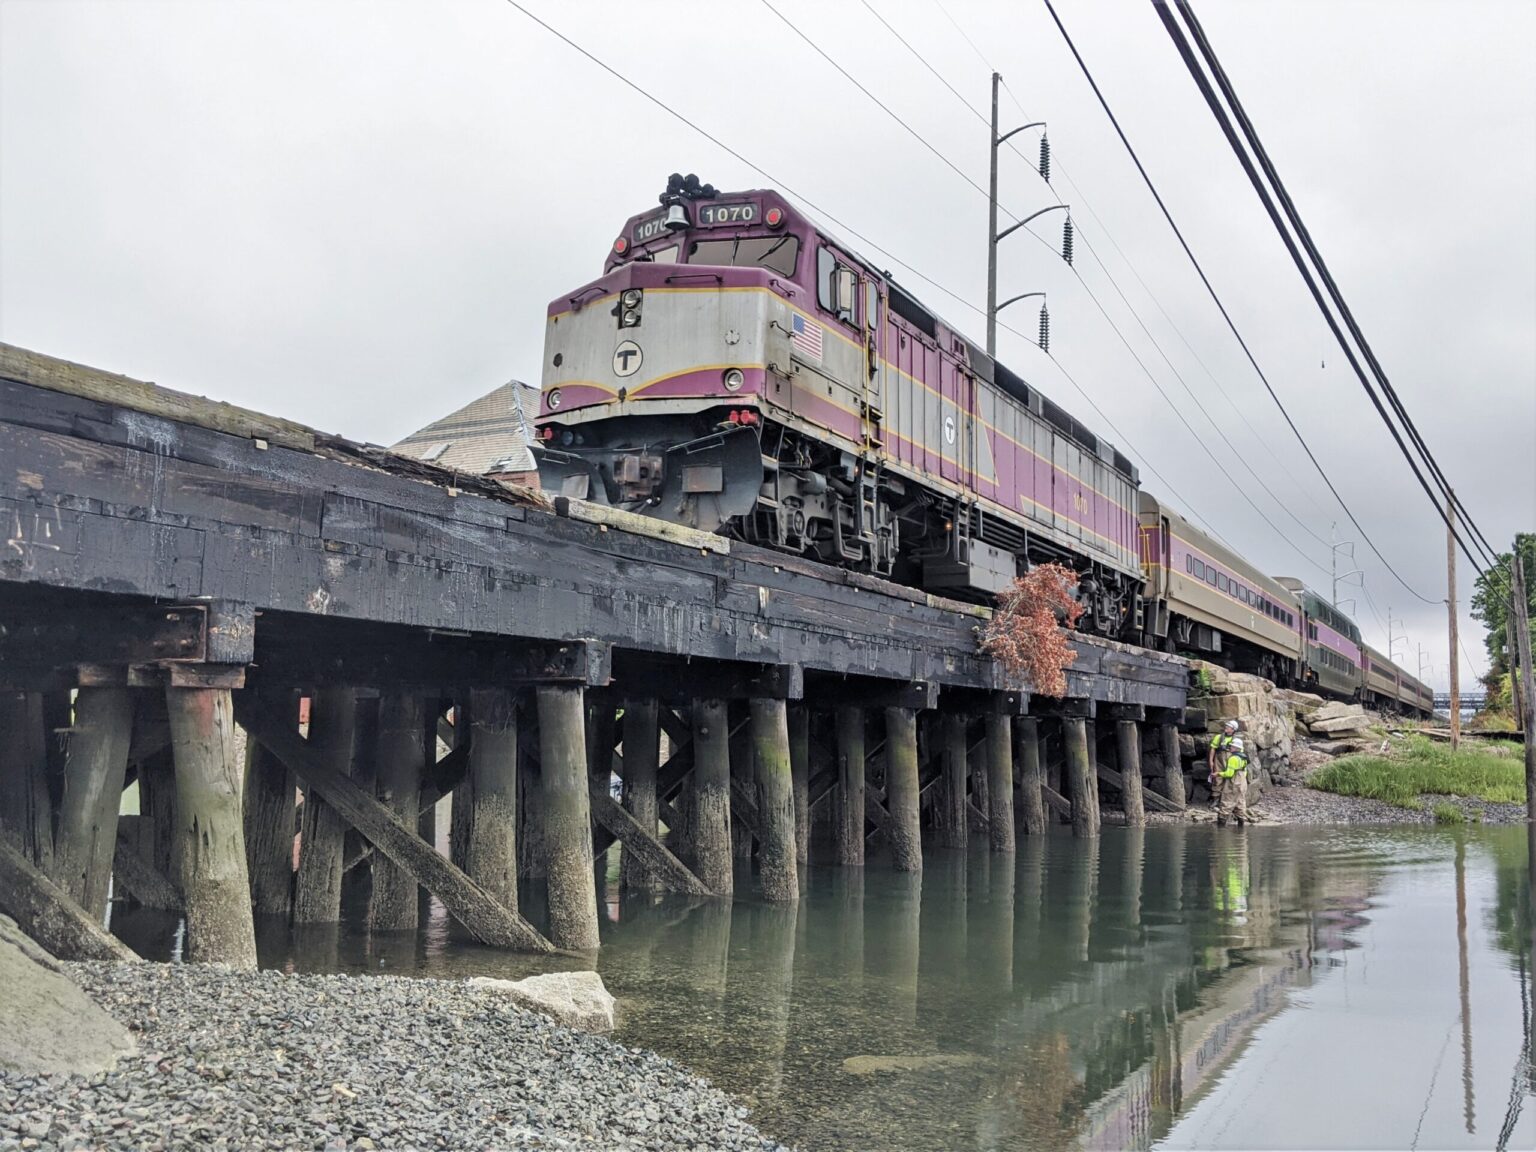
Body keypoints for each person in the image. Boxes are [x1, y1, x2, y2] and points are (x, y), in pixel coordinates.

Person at [1207, 719, 1251, 827]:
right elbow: (1244, 771)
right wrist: (1211, 761)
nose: (1230, 746)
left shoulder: (1233, 758)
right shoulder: (1243, 757)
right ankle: (1241, 824)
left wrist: (1218, 774)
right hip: (1241, 780)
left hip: (1234, 778)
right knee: (1240, 800)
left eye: (1231, 746)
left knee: (1227, 799)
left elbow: (1229, 774)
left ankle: (1221, 824)